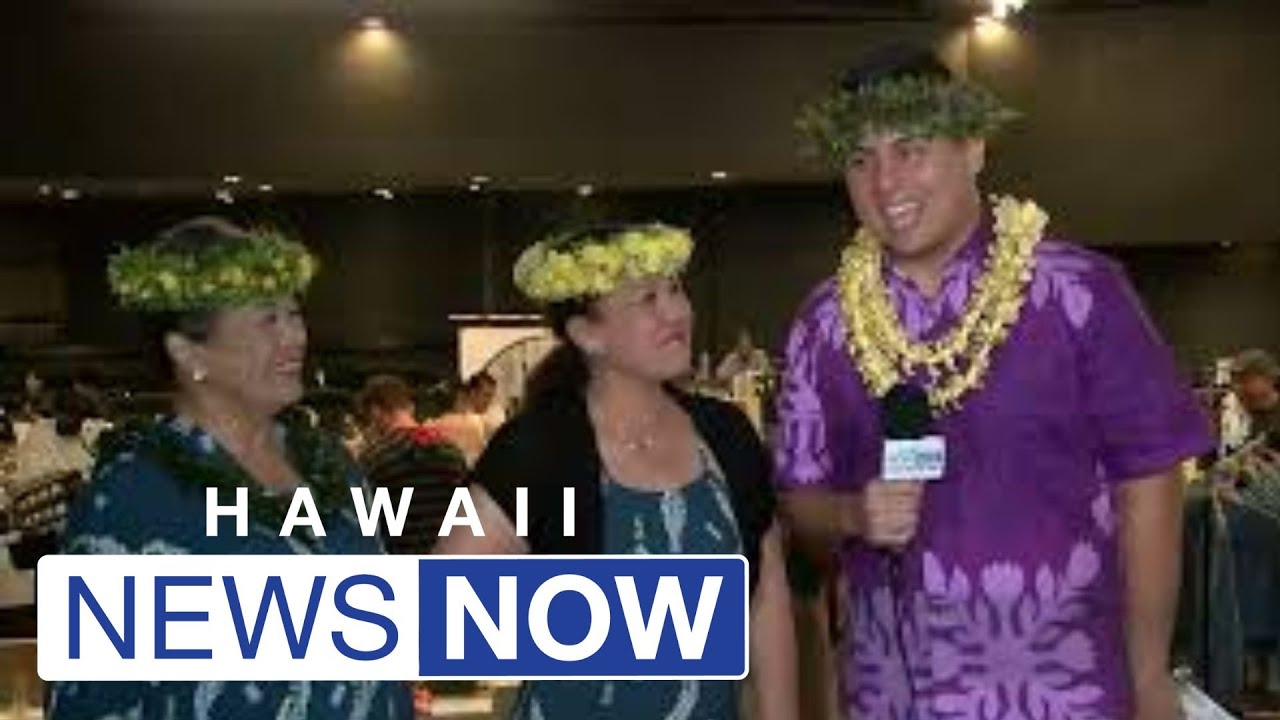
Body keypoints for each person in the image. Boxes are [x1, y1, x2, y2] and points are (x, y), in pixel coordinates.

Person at [778, 45, 1212, 720]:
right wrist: (852, 515)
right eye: (860, 159)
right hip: (892, 697)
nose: (885, 182)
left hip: (1069, 694)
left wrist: (1149, 675)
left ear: (974, 148)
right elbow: (799, 501)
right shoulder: (823, 323)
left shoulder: (1078, 293)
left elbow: (1150, 480)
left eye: (911, 149)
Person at [48, 217, 410, 719]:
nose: (295, 336)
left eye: (294, 314)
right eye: (267, 320)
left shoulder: (333, 465)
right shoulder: (134, 496)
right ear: (187, 351)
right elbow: (90, 699)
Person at [436, 222, 797, 720]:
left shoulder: (725, 434)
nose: (676, 312)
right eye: (647, 299)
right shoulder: (540, 448)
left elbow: (767, 599)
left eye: (675, 289)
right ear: (588, 334)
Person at [356, 373, 468, 554]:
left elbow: (366, 526)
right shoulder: (452, 452)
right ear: (410, 408)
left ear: (375, 411)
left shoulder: (374, 458)